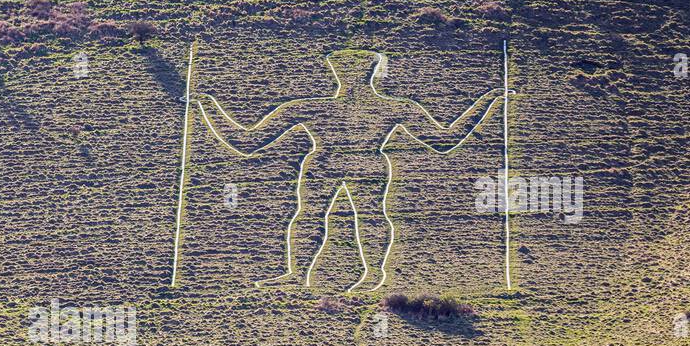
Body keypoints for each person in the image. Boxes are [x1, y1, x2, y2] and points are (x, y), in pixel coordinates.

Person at [194, 49, 503, 292]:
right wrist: (206, 106)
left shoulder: (334, 107)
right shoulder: (336, 107)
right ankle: (302, 274)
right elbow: (249, 142)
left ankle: (367, 275)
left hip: (354, 163)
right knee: (313, 216)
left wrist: (489, 101)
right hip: (331, 163)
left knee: (361, 217)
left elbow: (443, 141)